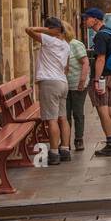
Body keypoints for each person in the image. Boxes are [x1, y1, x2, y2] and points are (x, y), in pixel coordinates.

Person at [26, 17, 73, 165]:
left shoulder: (49, 40)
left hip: (49, 82)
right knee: (63, 118)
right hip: (62, 82)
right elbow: (66, 68)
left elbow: (28, 30)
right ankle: (65, 149)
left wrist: (48, 31)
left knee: (52, 119)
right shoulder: (66, 45)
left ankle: (53, 153)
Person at [82, 7, 111, 157]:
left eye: (87, 18)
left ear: (96, 19)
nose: (85, 21)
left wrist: (96, 79)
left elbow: (100, 59)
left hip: (103, 77)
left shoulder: (100, 36)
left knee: (102, 110)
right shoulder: (110, 32)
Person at [66, 24, 89, 152]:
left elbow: (85, 62)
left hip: (77, 84)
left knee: (77, 113)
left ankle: (79, 139)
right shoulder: (60, 45)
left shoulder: (75, 44)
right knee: (65, 114)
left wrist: (82, 80)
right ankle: (65, 140)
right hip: (64, 85)